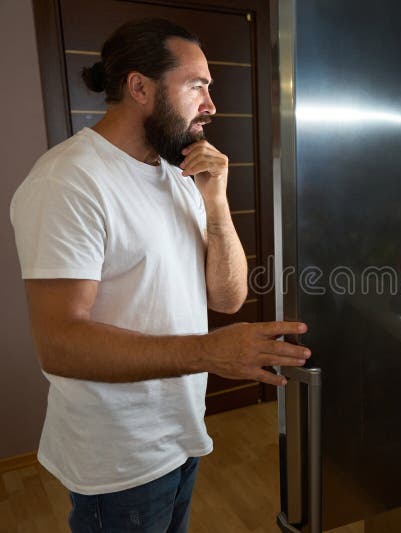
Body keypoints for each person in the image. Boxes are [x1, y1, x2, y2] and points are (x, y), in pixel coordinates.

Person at [10, 18, 308, 532]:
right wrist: (209, 353)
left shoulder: (177, 177)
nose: (211, 105)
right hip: (118, 457)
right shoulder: (69, 181)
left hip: (179, 432)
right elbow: (59, 342)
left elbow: (229, 297)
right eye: (197, 85)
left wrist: (216, 201)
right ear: (139, 86)